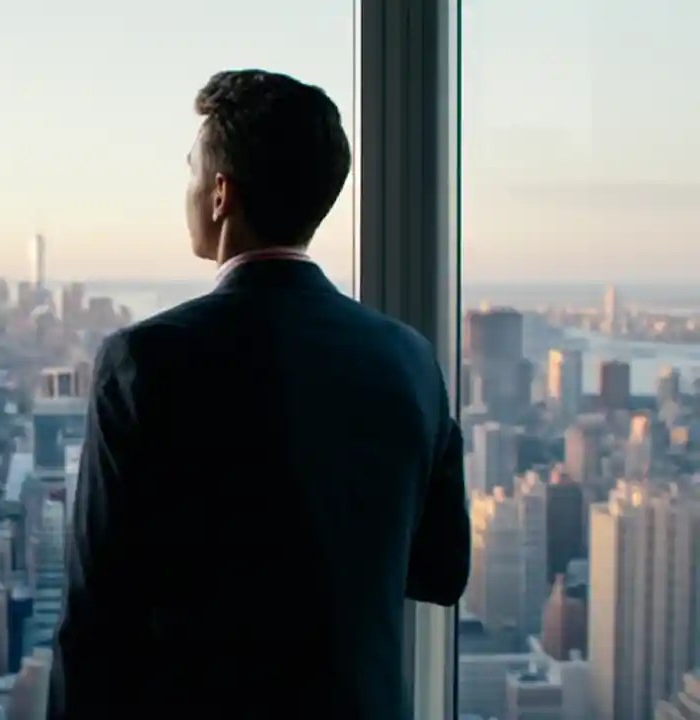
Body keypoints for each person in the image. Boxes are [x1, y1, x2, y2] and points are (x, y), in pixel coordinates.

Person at [47, 70, 469, 718]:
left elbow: (96, 614)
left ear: (220, 194)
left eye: (190, 172)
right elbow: (443, 572)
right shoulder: (409, 358)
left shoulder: (146, 361)